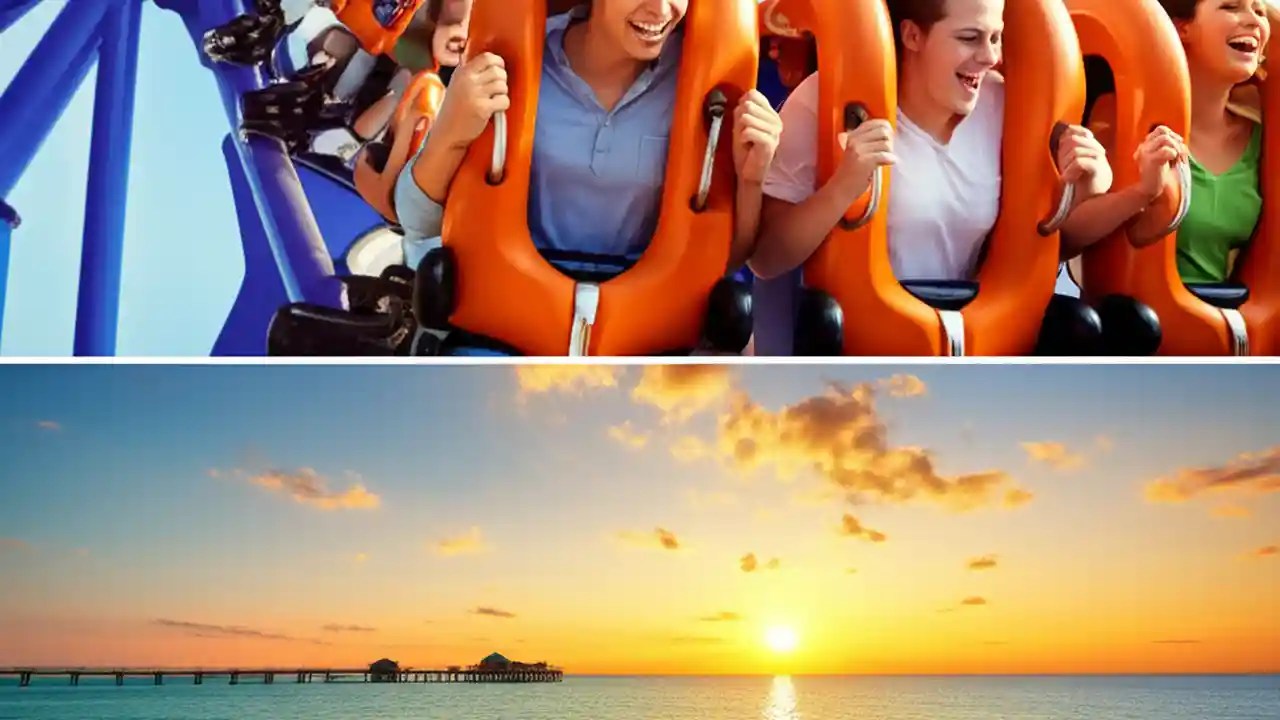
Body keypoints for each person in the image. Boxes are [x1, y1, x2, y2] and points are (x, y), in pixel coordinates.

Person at [395, 0, 783, 355]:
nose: (660, 8)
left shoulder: (705, 85)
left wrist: (752, 180)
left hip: (643, 335)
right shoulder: (514, 57)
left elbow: (726, 256)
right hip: (504, 322)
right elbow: (417, 218)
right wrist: (451, 132)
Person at [749, 0, 1127, 305]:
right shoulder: (826, 100)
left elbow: (1042, 244)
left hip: (972, 328)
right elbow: (767, 258)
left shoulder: (1007, 107)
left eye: (996, 37)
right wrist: (842, 188)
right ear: (913, 35)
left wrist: (1089, 187)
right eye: (970, 38)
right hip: (858, 336)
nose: (990, 56)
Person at [1084, 0, 1270, 285]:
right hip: (1135, 319)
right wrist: (1142, 193)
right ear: (1182, 28)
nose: (1254, 21)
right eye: (1231, 7)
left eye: (1260, 11)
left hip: (1227, 317)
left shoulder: (1263, 137)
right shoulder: (1119, 115)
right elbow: (1072, 234)